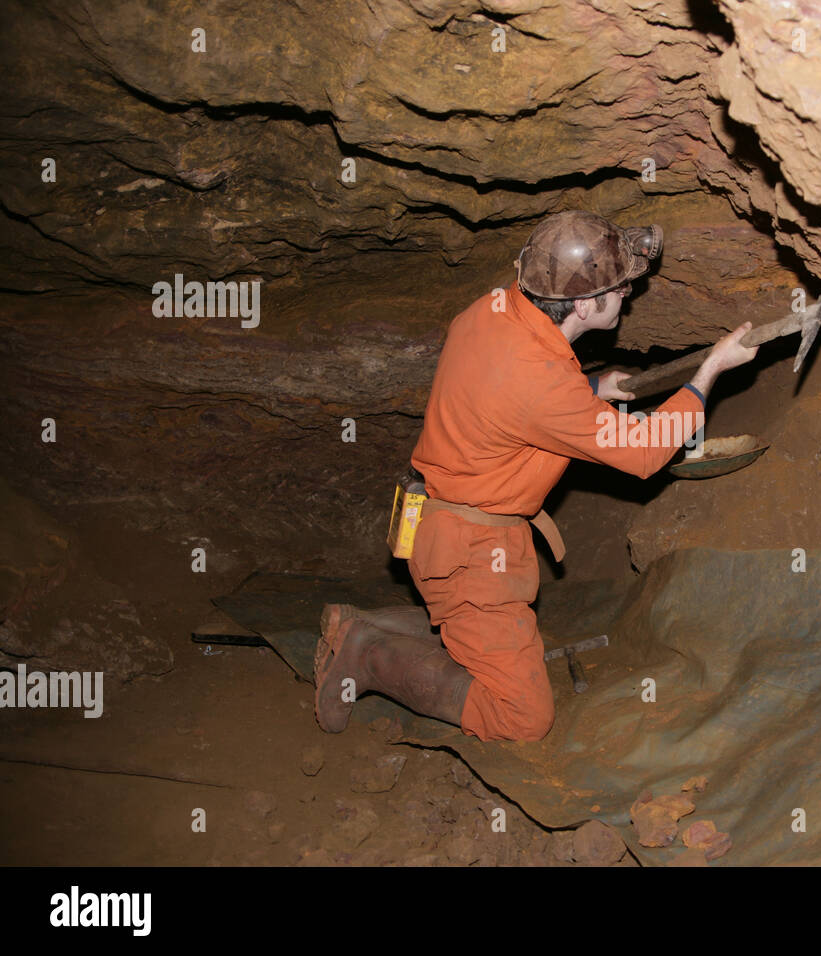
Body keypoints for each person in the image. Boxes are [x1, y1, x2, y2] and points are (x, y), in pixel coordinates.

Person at [314, 210, 758, 741]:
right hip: (467, 549)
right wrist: (711, 369)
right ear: (585, 303)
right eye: (621, 287)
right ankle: (368, 655)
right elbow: (643, 453)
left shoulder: (490, 311)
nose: (630, 293)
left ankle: (363, 624)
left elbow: (505, 397)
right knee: (522, 717)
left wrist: (591, 390)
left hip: (431, 513)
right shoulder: (540, 381)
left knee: (471, 622)